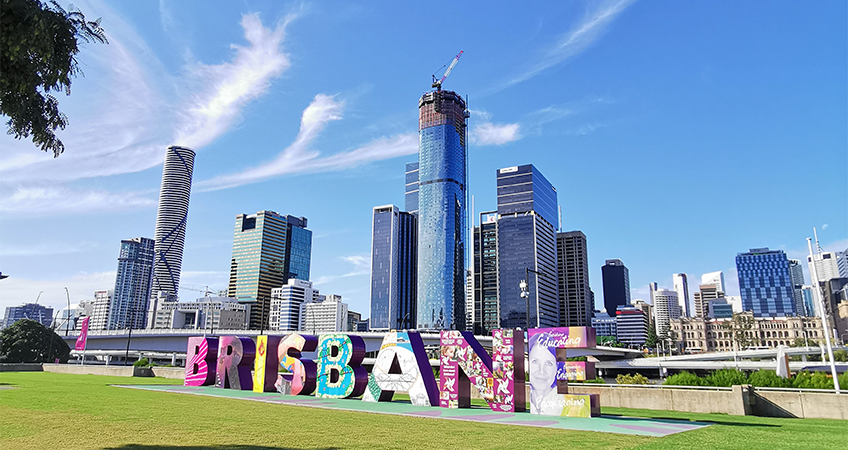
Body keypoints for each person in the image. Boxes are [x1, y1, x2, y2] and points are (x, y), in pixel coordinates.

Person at [528, 332, 561, 414]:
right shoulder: (531, 403)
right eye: (535, 361)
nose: (541, 371)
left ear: (556, 367)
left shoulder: (570, 407)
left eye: (549, 363)